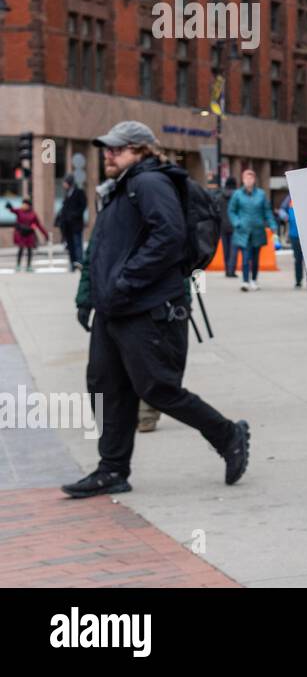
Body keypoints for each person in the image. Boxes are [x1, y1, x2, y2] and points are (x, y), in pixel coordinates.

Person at [62, 120, 248, 499]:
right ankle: (111, 469)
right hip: (114, 309)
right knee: (107, 388)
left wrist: (125, 282)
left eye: (118, 148)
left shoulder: (149, 182)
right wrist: (91, 296)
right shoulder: (121, 188)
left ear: (143, 149)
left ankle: (227, 434)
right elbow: (103, 247)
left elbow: (169, 235)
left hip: (146, 307)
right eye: (108, 148)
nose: (109, 154)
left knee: (157, 387)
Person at [227, 169, 276, 291]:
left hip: (257, 231)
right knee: (245, 258)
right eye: (246, 178)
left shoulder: (261, 194)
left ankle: (253, 280)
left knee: (255, 259)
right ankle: (245, 281)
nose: (248, 181)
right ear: (243, 180)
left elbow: (267, 211)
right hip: (243, 231)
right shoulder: (237, 194)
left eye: (251, 178)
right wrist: (237, 222)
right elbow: (231, 210)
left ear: (254, 180)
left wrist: (272, 224)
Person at [6, 198, 49, 272]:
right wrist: (10, 207)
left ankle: (28, 266)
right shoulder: (19, 211)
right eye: (22, 204)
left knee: (29, 250)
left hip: (29, 234)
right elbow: (13, 210)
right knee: (21, 249)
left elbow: (38, 225)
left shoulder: (33, 214)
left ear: (28, 205)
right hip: (21, 233)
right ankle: (18, 265)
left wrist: (45, 234)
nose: (23, 205)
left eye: (24, 204)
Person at [56, 174, 88, 270]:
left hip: (76, 224)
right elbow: (64, 208)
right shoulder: (67, 194)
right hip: (67, 225)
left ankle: (79, 262)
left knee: (77, 243)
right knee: (70, 245)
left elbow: (83, 205)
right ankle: (72, 263)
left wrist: (75, 215)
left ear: (69, 183)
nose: (63, 184)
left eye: (65, 182)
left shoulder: (79, 192)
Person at [279, 194, 306, 289]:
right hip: (294, 234)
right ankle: (298, 281)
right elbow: (282, 210)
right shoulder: (290, 198)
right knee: (298, 259)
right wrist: (285, 216)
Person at [217, 176, 238, 278]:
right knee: (233, 250)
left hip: (223, 226)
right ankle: (231, 270)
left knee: (225, 250)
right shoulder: (237, 195)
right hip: (234, 226)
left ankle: (226, 270)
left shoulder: (220, 196)